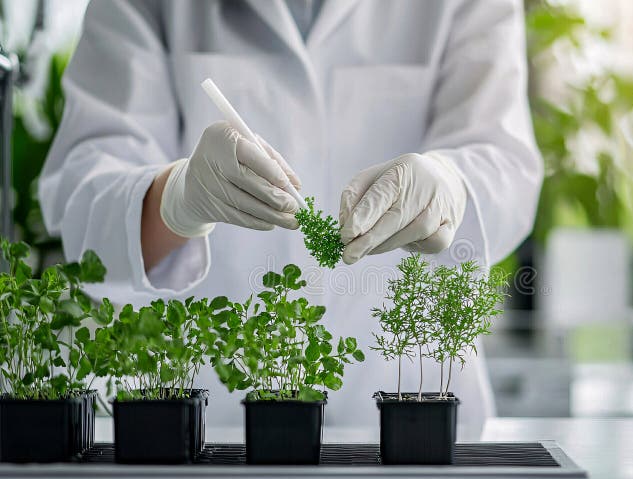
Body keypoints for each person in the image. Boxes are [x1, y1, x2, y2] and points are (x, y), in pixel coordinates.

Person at [39, 0, 542, 429]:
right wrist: (176, 198)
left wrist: (450, 184)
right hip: (211, 425)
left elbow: (507, 167)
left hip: (412, 409)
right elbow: (85, 197)